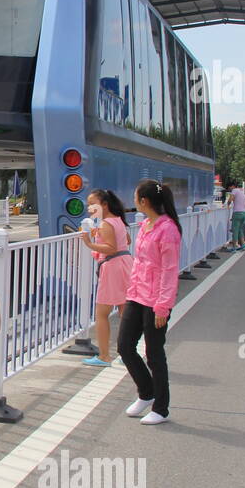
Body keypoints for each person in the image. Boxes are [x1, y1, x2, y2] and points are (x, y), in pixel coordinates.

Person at [117, 179, 182, 425]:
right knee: (124, 347)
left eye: (135, 197)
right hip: (136, 295)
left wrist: (163, 306)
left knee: (154, 354)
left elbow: (169, 269)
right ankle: (146, 393)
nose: (133, 200)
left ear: (143, 201)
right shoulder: (145, 225)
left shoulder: (168, 230)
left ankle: (161, 408)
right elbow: (141, 262)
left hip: (156, 301)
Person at [78, 188, 132, 367]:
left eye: (93, 204)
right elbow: (127, 241)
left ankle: (103, 356)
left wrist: (89, 243)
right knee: (125, 312)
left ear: (104, 205)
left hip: (112, 267)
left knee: (101, 314)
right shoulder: (117, 220)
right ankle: (127, 353)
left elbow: (110, 248)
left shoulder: (104, 224)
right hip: (126, 264)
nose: (90, 208)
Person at [223, 181, 245, 251]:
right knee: (240, 230)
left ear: (232, 186)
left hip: (237, 213)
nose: (229, 190)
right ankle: (243, 245)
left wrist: (227, 205)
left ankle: (234, 247)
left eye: (229, 188)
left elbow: (230, 199)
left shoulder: (234, 191)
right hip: (244, 213)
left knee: (235, 230)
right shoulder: (241, 191)